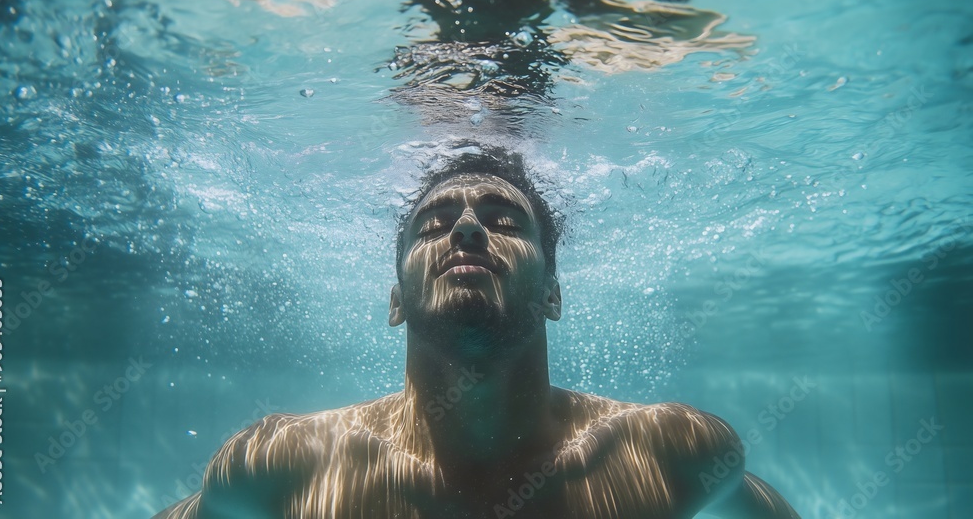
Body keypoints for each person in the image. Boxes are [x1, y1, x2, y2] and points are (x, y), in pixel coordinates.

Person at [154, 144, 799, 519]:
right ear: (395, 301)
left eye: (505, 221)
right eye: (433, 224)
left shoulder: (671, 454)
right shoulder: (279, 468)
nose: (466, 230)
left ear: (552, 293)